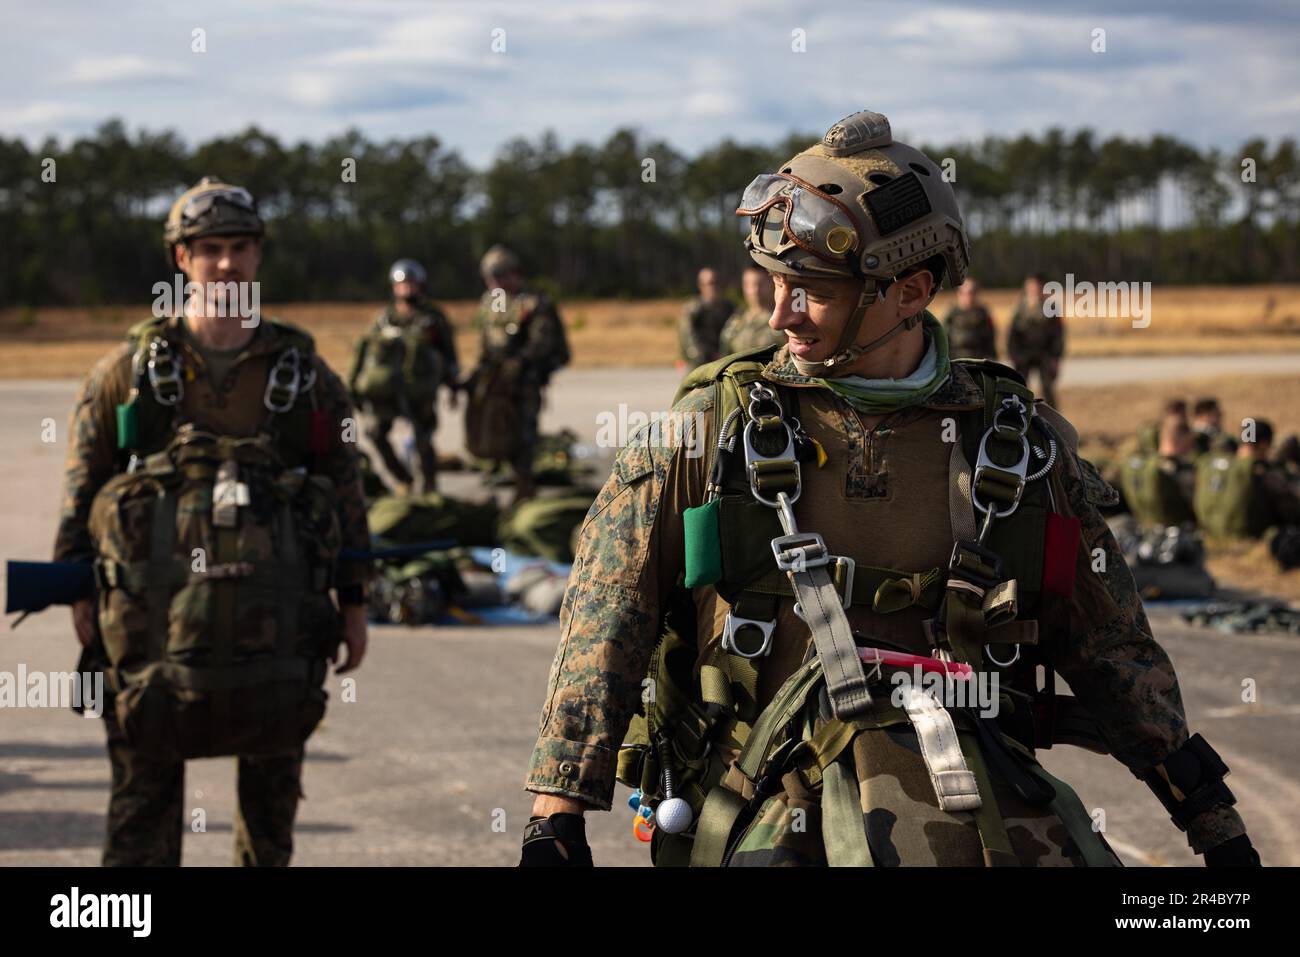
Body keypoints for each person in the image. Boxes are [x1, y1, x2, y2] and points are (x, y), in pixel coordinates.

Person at [519, 110, 1257, 869]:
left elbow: (1112, 647)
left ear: (910, 291)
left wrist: (1212, 821)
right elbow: (608, 613)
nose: (779, 315)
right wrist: (556, 815)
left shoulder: (1017, 445)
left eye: (811, 291)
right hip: (762, 799)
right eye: (776, 284)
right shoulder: (711, 430)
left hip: (979, 799)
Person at [55, 177, 369, 866]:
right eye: (209, 249)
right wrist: (79, 588)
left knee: (270, 818)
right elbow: (82, 493)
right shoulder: (127, 375)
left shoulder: (305, 375)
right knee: (141, 815)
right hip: (151, 638)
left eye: (239, 247)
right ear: (181, 259)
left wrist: (354, 602)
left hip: (280, 637)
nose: (225, 264)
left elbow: (346, 492)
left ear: (258, 256)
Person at [466, 244, 570, 503]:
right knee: (492, 434)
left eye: (500, 274)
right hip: (495, 385)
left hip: (524, 384)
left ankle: (525, 490)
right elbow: (484, 343)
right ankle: (502, 483)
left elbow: (542, 343)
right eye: (490, 276)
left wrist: (518, 364)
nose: (495, 281)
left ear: (514, 273)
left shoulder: (534, 303)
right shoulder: (489, 303)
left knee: (523, 437)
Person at [348, 259, 460, 493]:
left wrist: (453, 386)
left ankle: (429, 487)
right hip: (386, 392)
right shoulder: (383, 319)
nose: (407, 289)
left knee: (423, 440)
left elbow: (449, 355)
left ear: (421, 285)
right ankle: (403, 480)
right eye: (402, 284)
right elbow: (364, 352)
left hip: (420, 392)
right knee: (375, 432)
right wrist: (354, 388)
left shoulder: (433, 319)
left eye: (412, 283)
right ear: (394, 287)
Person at [1195, 418, 1300, 539]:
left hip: (1209, 529)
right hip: (1244, 531)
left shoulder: (1210, 463)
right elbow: (1291, 508)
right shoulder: (1258, 470)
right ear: (1264, 444)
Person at [1007, 272, 1064, 408]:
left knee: (1047, 388)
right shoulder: (1020, 309)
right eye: (1031, 286)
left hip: (1045, 354)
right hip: (1024, 353)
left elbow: (1058, 335)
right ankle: (1018, 414)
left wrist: (1056, 357)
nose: (1034, 290)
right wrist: (1014, 355)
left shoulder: (1051, 308)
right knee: (1019, 388)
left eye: (1037, 286)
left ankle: (1053, 420)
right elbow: (1012, 334)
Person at [677, 267, 733, 370]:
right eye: (710, 283)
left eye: (717, 282)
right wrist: (708, 355)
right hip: (699, 364)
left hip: (724, 363)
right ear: (701, 286)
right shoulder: (693, 309)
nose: (714, 287)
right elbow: (688, 337)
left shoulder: (729, 308)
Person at [718, 266, 780, 356]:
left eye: (760, 284)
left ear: (772, 283)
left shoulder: (781, 321)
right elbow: (724, 353)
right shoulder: (736, 322)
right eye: (748, 285)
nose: (755, 290)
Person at [942, 277, 997, 361]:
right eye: (964, 293)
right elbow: (944, 342)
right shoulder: (951, 315)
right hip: (955, 361)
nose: (968, 296)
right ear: (959, 294)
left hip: (979, 361)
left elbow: (990, 342)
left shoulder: (983, 315)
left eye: (972, 293)